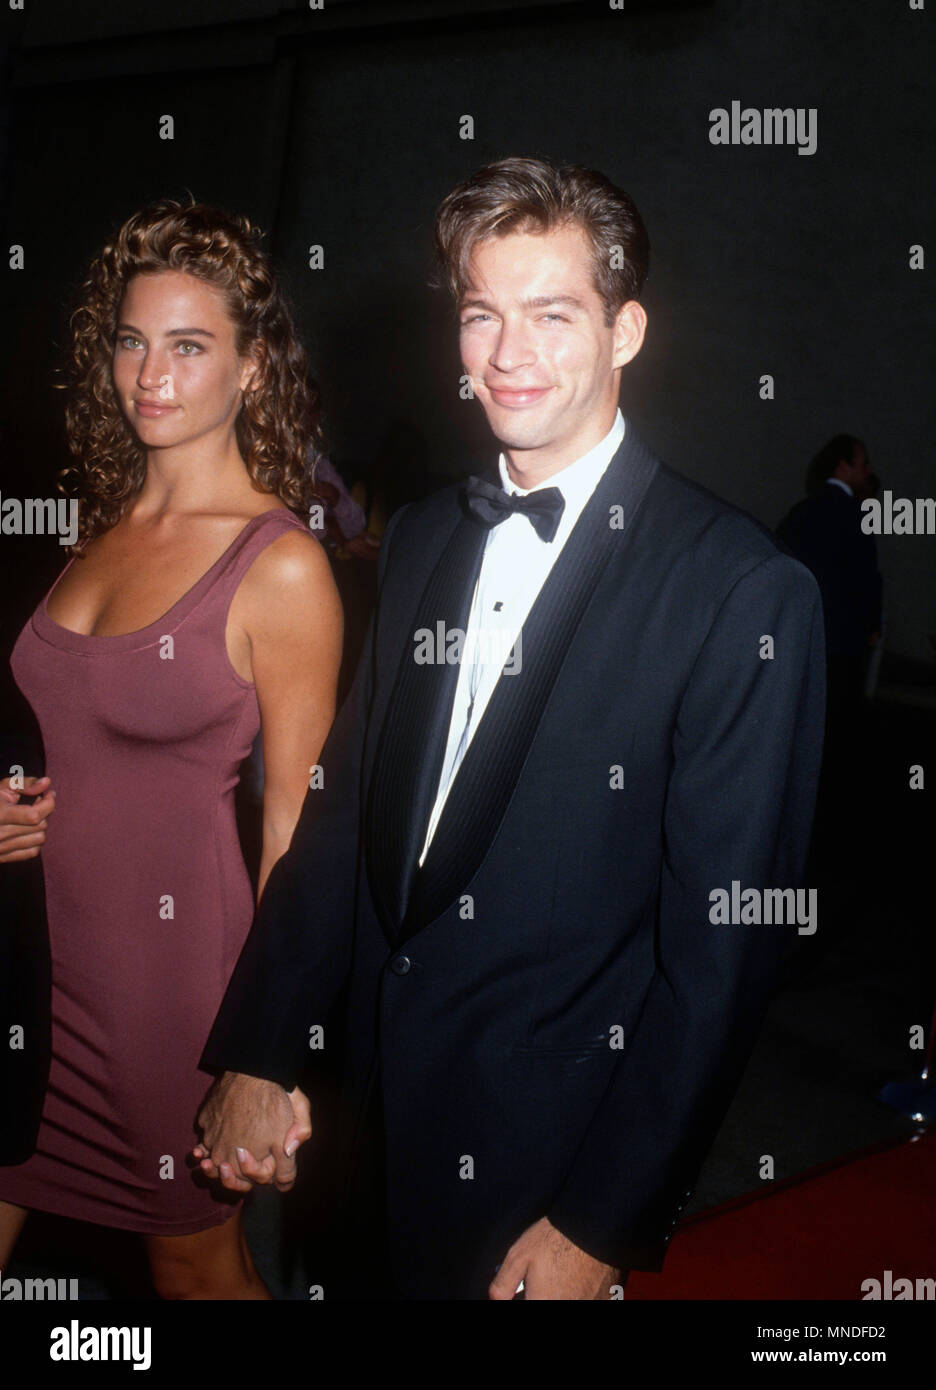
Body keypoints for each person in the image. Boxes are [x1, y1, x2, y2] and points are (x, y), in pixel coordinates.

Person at [196, 157, 825, 1300]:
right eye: (483, 314)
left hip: (545, 1166)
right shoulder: (429, 536)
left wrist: (601, 1220)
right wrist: (264, 1044)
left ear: (627, 331)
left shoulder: (741, 589)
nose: (509, 353)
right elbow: (340, 822)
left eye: (552, 313)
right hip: (365, 1126)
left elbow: (721, 957)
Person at [0, 199, 343, 1298]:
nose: (152, 372)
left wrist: (268, 1050)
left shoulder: (278, 566)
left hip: (168, 992)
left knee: (195, 1269)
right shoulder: (95, 532)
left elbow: (298, 826)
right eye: (132, 340)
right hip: (23, 964)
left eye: (189, 346)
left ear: (251, 371)